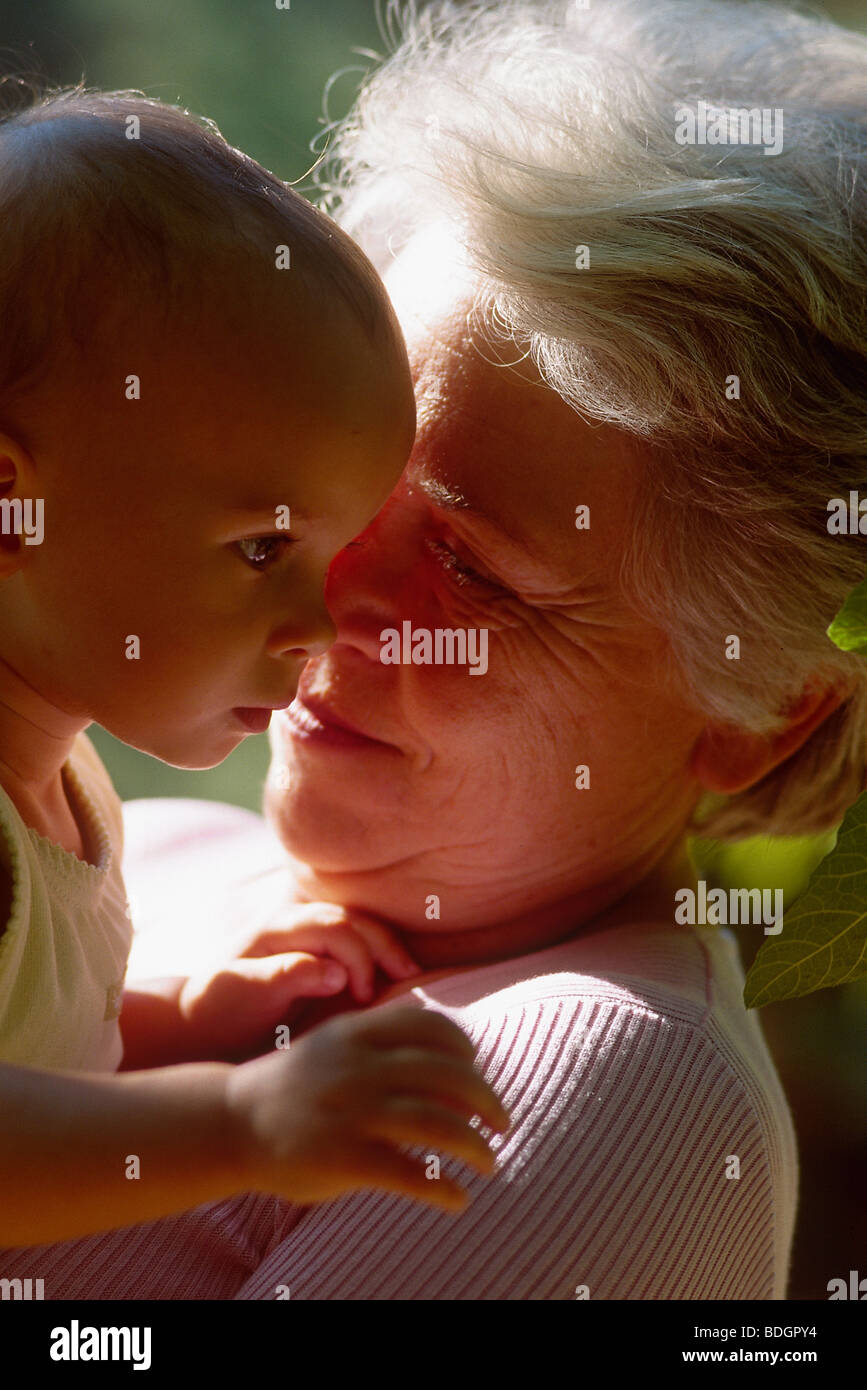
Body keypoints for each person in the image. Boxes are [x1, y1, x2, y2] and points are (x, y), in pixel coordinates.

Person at [5, 0, 867, 1299]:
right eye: (293, 515)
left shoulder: (605, 1082)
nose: (330, 590)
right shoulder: (136, 838)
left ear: (759, 700)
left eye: (468, 566)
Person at [0, 85, 509, 1249]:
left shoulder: (61, 773)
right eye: (264, 546)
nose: (321, 626)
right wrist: (240, 1120)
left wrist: (174, 1018)